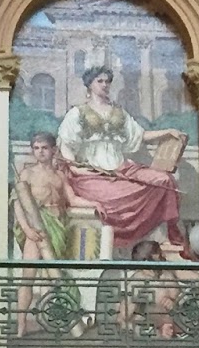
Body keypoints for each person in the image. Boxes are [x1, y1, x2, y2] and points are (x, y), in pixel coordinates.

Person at [56, 67, 186, 249]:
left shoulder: (119, 112)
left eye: (107, 81)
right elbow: (66, 145)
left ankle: (169, 233)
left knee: (163, 180)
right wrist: (76, 168)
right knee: (110, 197)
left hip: (122, 168)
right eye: (100, 81)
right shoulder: (77, 113)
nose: (105, 85)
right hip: (91, 174)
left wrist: (167, 132)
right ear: (90, 84)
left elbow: (140, 135)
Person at [12, 132, 79, 336]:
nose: (40, 152)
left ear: (53, 150)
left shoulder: (60, 176)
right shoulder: (28, 174)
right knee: (28, 276)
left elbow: (72, 199)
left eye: (44, 148)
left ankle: (53, 322)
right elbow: (17, 203)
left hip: (56, 227)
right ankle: (21, 325)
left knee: (53, 278)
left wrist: (96, 204)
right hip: (36, 228)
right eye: (36, 148)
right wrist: (27, 229)